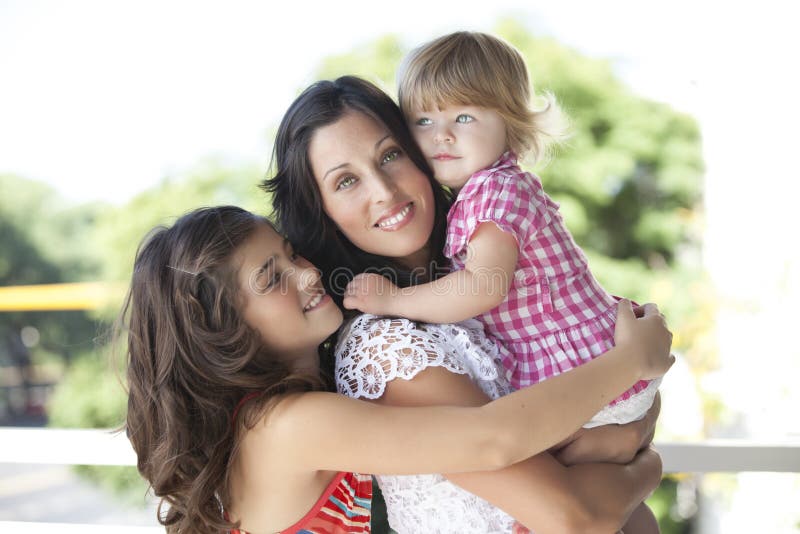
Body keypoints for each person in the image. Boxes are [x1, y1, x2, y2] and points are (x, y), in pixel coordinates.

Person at [264, 75, 672, 533]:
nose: (383, 190)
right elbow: (574, 516)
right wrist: (645, 454)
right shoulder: (383, 345)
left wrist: (634, 434)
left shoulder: (481, 280)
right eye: (346, 182)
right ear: (321, 212)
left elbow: (615, 425)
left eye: (391, 154)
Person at [123, 206, 673, 533]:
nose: (307, 274)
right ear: (221, 333)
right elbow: (492, 440)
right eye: (272, 278)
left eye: (291, 254)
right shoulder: (286, 424)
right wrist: (629, 363)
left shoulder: (269, 422)